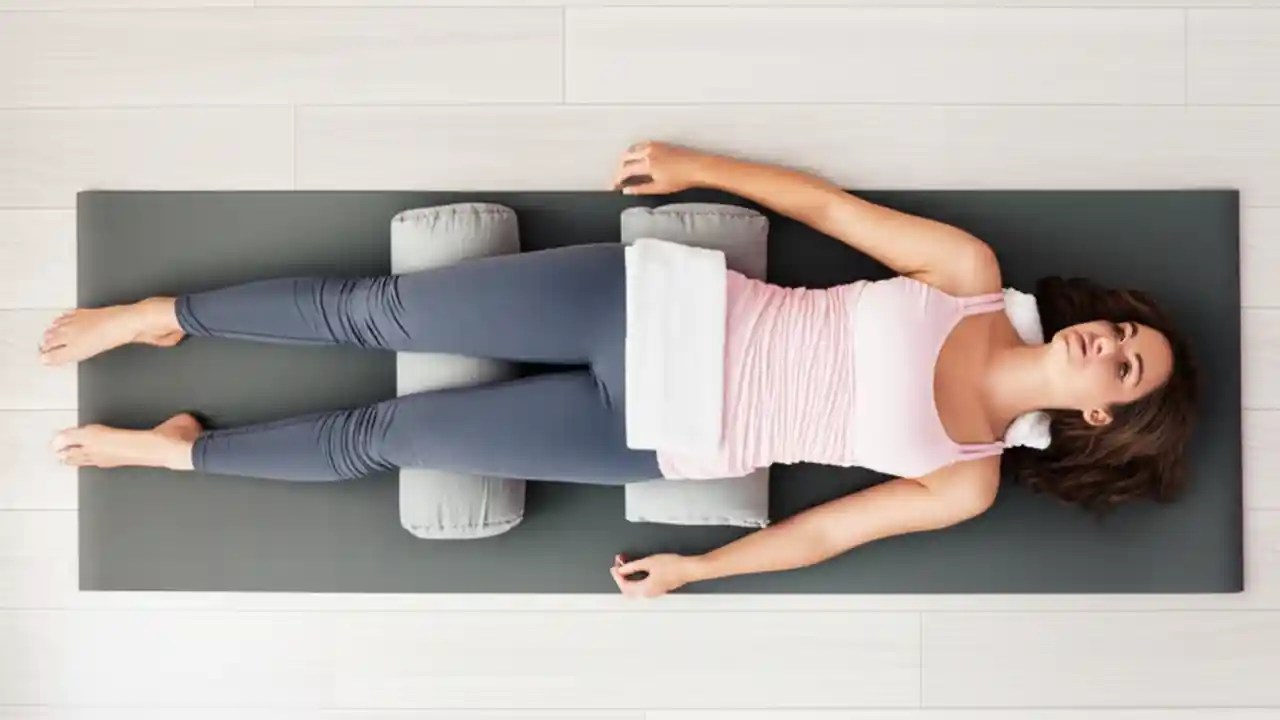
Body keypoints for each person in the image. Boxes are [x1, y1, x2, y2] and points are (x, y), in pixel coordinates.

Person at [37, 142, 1199, 599]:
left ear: (1101, 415)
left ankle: (177, 452)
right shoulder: (971, 275)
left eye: (1124, 366)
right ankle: (158, 317)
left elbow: (823, 534)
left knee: (381, 437)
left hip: (643, 437)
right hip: (641, 302)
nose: (1104, 342)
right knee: (373, 311)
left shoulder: (969, 476)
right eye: (1118, 329)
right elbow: (833, 211)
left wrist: (698, 570)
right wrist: (703, 166)